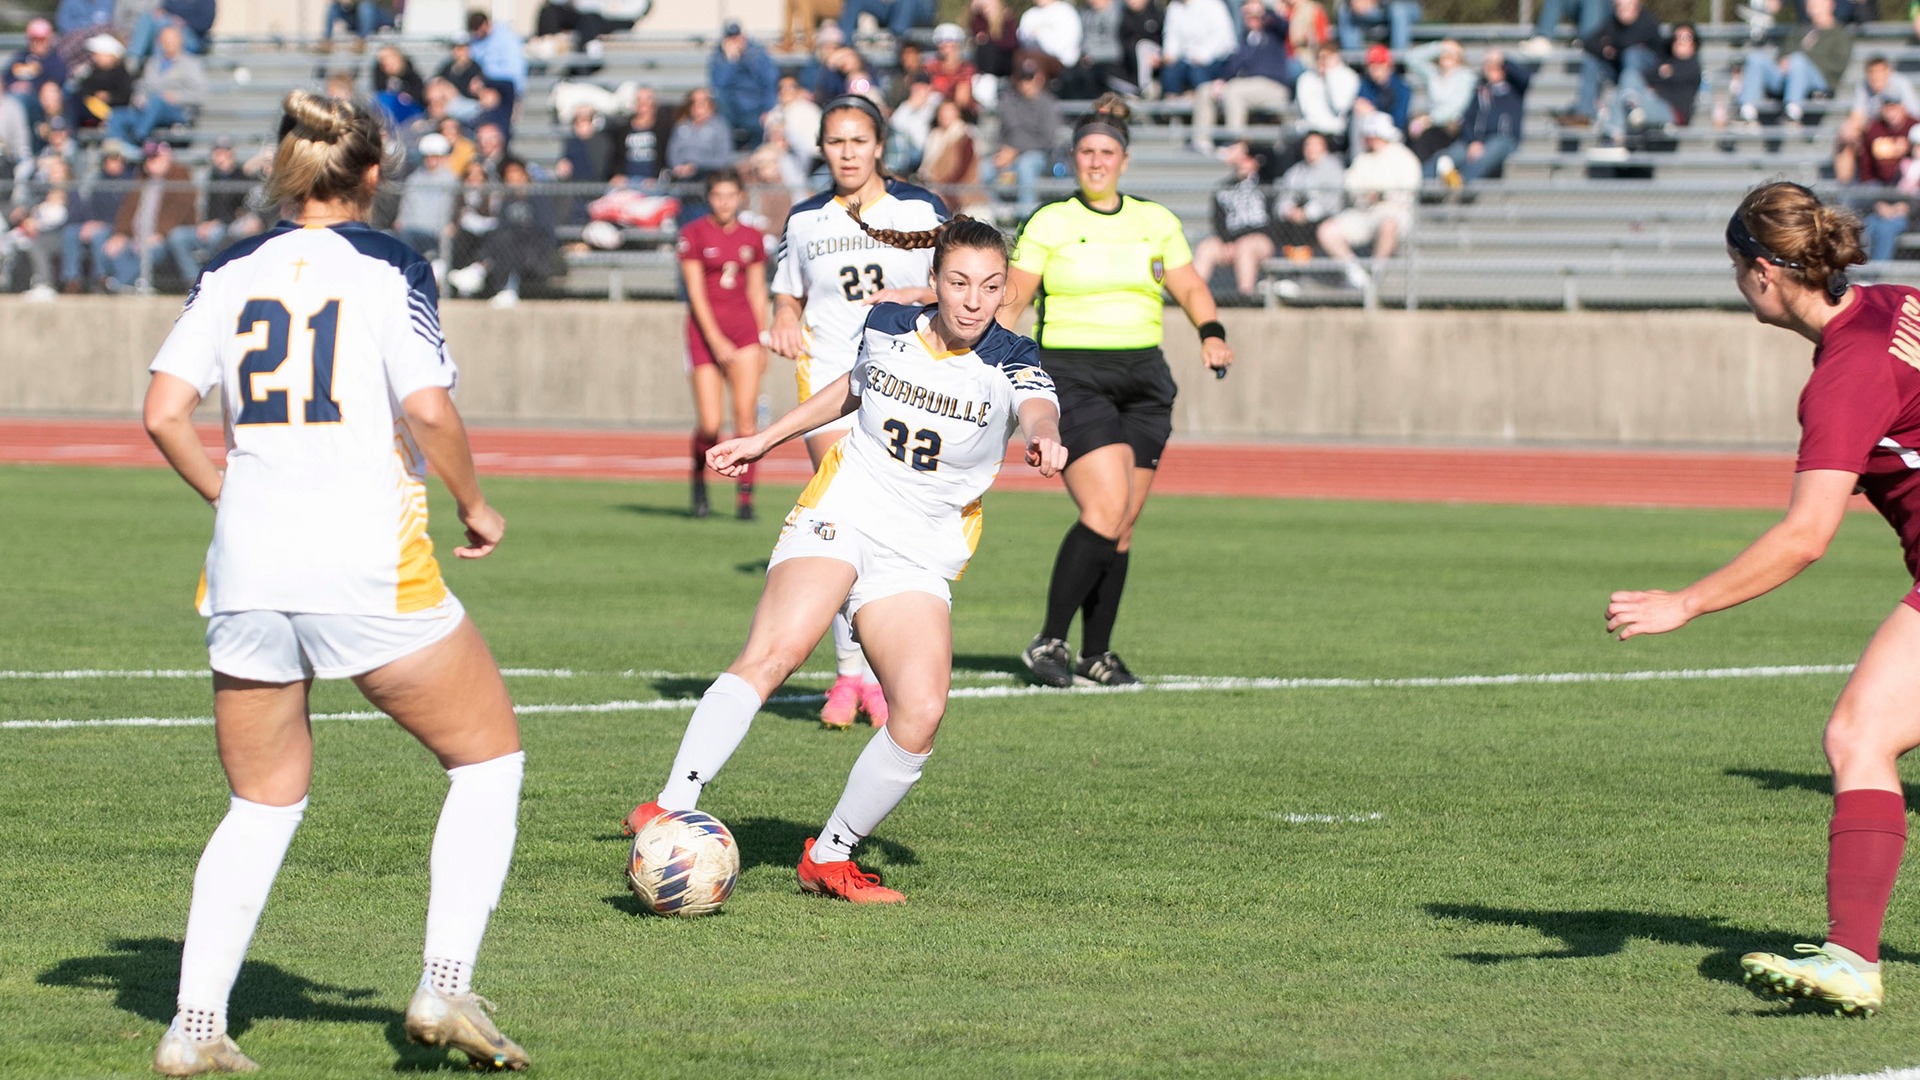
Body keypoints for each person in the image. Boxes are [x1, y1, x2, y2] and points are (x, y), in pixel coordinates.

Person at [139, 88, 529, 1076]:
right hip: (362, 558)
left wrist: (229, 494)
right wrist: (475, 504)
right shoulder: (390, 265)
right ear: (369, 175)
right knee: (487, 762)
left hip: (246, 566)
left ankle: (193, 1030)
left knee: (263, 803)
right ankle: (445, 980)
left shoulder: (229, 269)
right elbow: (430, 409)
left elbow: (163, 413)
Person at [623, 213, 1067, 902]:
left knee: (919, 713)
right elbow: (851, 387)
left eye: (989, 285)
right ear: (936, 282)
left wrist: (1044, 437)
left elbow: (1039, 408)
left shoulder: (1014, 357)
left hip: (918, 552)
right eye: (958, 282)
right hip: (842, 512)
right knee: (779, 651)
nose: (974, 300)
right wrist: (763, 440)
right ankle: (670, 804)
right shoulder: (889, 323)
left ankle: (828, 857)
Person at [1605, 181, 1918, 1018]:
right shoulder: (1900, 303)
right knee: (1864, 734)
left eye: (1736, 265)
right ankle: (1851, 955)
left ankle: (1852, 960)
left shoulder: (1845, 375)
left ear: (1765, 273)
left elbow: (1805, 536)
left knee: (1859, 736)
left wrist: (1685, 602)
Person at [1005, 104, 1233, 688]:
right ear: (1074, 159)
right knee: (1104, 510)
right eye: (1087, 152)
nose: (1097, 162)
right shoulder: (1051, 222)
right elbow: (1013, 298)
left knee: (1123, 523)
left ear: (1124, 161)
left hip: (1145, 382)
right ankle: (1048, 641)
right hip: (1073, 374)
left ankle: (1095, 655)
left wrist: (1211, 334)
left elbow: (1187, 283)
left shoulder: (1154, 220)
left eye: (1108, 153)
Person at [766, 94, 947, 728]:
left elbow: (964, 282)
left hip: (901, 383)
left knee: (886, 533)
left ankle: (872, 673)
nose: (847, 152)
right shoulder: (806, 219)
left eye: (858, 141)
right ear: (822, 148)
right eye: (836, 142)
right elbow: (786, 295)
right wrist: (784, 320)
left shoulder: (920, 209)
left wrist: (916, 292)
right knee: (847, 521)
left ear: (879, 146)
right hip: (828, 384)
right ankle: (850, 679)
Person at [678, 169, 772, 520]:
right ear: (709, 197)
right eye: (718, 195)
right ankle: (699, 482)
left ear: (741, 197)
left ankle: (745, 499)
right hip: (705, 335)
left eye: (730, 195)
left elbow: (757, 291)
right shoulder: (694, 233)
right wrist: (714, 339)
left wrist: (761, 339)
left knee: (745, 420)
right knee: (710, 423)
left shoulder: (752, 236)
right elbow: (696, 293)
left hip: (744, 332)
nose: (724, 202)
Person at [1318, 111, 1419, 288]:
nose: (1370, 140)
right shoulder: (1362, 159)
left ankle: (1376, 274)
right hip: (1364, 212)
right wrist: (1366, 196)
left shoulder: (1403, 157)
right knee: (1327, 231)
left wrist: (1382, 195)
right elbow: (1351, 187)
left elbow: (1409, 191)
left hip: (1394, 212)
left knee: (1389, 224)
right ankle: (1356, 274)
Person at [1192, 0, 1294, 155]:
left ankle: (1235, 142)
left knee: (1234, 91)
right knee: (1205, 90)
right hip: (1247, 86)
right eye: (1247, 14)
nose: (1251, 18)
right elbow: (1233, 66)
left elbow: (1284, 26)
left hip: (1274, 86)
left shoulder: (1273, 34)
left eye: (1254, 15)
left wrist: (1264, 10)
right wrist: (1221, 82)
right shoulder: (1245, 40)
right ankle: (1201, 142)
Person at [1736, 0, 1853, 125]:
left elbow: (1837, 65)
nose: (1813, 6)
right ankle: (1746, 109)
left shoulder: (1840, 34)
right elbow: (1784, 53)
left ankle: (1793, 109)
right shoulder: (1800, 31)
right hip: (1789, 76)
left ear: (1830, 4)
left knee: (1798, 61)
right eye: (1810, 3)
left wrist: (1801, 62)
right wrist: (1784, 61)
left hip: (1819, 81)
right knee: (1756, 58)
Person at [102, 140, 197, 291]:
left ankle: (120, 282)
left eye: (155, 158)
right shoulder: (141, 180)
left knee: (153, 250)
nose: (150, 162)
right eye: (148, 158)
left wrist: (160, 233)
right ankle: (130, 284)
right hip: (137, 237)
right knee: (112, 247)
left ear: (166, 157)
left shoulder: (180, 177)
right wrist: (121, 234)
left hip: (163, 239)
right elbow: (127, 210)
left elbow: (179, 211)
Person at [1428, 47, 1529, 188]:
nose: (1492, 68)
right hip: (1476, 140)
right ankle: (1419, 182)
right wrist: (1473, 141)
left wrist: (1503, 58)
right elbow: (1467, 119)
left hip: (1503, 139)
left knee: (1487, 154)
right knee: (1446, 157)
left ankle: (1459, 182)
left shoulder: (1514, 88)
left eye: (1496, 66)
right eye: (1488, 65)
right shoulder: (1480, 89)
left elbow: (1524, 76)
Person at [1191, 139, 1277, 299]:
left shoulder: (1266, 181)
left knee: (1246, 246)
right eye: (1241, 158)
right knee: (1206, 247)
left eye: (1247, 157)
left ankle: (1245, 296)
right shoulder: (1224, 188)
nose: (1244, 162)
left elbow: (1272, 154)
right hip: (1230, 240)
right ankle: (1195, 296)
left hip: (1260, 239)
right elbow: (1218, 222)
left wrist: (1245, 145)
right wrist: (1228, 242)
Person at [1555, 0, 1659, 126]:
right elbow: (1589, 42)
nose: (1622, 10)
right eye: (1619, 7)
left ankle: (1630, 104)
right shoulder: (1612, 22)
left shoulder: (1647, 21)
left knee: (1632, 54)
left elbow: (1627, 43)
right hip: (1618, 69)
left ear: (1637, 6)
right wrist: (1604, 49)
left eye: (1627, 6)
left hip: (1644, 73)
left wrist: (1612, 45)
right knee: (1591, 60)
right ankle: (1584, 113)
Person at [1600, 21, 1703, 146]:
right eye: (1676, 37)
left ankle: (1613, 139)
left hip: (1672, 113)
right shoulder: (1666, 61)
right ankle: (1631, 107)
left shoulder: (1693, 66)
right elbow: (1648, 76)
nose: (1680, 41)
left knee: (1621, 95)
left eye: (1686, 37)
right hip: (1651, 103)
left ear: (1695, 42)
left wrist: (1657, 81)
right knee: (1630, 75)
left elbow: (1659, 78)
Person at [981, 60, 1059, 216]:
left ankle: (1025, 219)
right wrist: (1002, 151)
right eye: (1023, 78)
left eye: (1030, 78)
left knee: (1026, 166)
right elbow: (1000, 133)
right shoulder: (1008, 100)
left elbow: (1048, 140)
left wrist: (1016, 151)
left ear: (1039, 78)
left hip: (1039, 156)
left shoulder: (1048, 103)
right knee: (982, 170)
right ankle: (998, 215)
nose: (1026, 83)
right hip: (1008, 154)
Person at [109, 24, 205, 146]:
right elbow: (142, 86)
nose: (168, 44)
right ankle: (115, 150)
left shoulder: (191, 64)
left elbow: (199, 95)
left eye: (172, 40)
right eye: (165, 41)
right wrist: (139, 98)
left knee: (157, 100)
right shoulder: (152, 63)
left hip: (176, 110)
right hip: (148, 109)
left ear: (180, 41)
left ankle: (138, 138)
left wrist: (176, 96)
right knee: (118, 115)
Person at [1836, 55, 1920, 183]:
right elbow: (1857, 115)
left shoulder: (1901, 84)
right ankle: (1844, 189)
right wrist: (1851, 131)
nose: (1876, 80)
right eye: (1872, 76)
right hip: (1875, 131)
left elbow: (1913, 118)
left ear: (1888, 72)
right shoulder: (1863, 85)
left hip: (1898, 132)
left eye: (1879, 74)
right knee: (1844, 137)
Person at [1272, 130, 1344, 260]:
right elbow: (1283, 198)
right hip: (1295, 220)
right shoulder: (1296, 171)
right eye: (1308, 144)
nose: (1311, 148)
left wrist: (1306, 213)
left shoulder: (1333, 168)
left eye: (1316, 144)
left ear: (1324, 147)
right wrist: (1289, 211)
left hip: (1323, 218)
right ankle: (1290, 269)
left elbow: (1331, 201)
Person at [711, 19, 780, 148]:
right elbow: (718, 84)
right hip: (731, 111)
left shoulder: (758, 53)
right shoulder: (719, 57)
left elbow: (770, 81)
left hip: (756, 109)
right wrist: (730, 61)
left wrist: (767, 109)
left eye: (737, 37)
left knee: (765, 127)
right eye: (731, 38)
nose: (735, 41)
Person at [1405, 38, 1474, 161]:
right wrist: (1438, 47)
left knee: (1425, 139)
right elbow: (1411, 58)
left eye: (1451, 52)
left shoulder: (1466, 77)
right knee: (1408, 133)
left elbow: (1456, 106)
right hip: (1430, 124)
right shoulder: (1434, 74)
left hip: (1452, 127)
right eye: (1445, 52)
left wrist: (1429, 120)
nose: (1447, 54)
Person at [1154, 0, 1237, 99]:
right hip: (1187, 59)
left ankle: (1203, 106)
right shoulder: (1174, 7)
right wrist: (1169, 54)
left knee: (1198, 73)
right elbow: (1172, 35)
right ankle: (1173, 108)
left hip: (1215, 58)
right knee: (1169, 72)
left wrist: (1202, 55)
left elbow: (1222, 37)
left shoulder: (1213, 4)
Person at [1338, 0, 1421, 53]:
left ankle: (1399, 62)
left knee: (1398, 10)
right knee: (1345, 12)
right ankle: (1354, 62)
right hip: (1376, 11)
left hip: (1405, 7)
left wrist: (1374, 2)